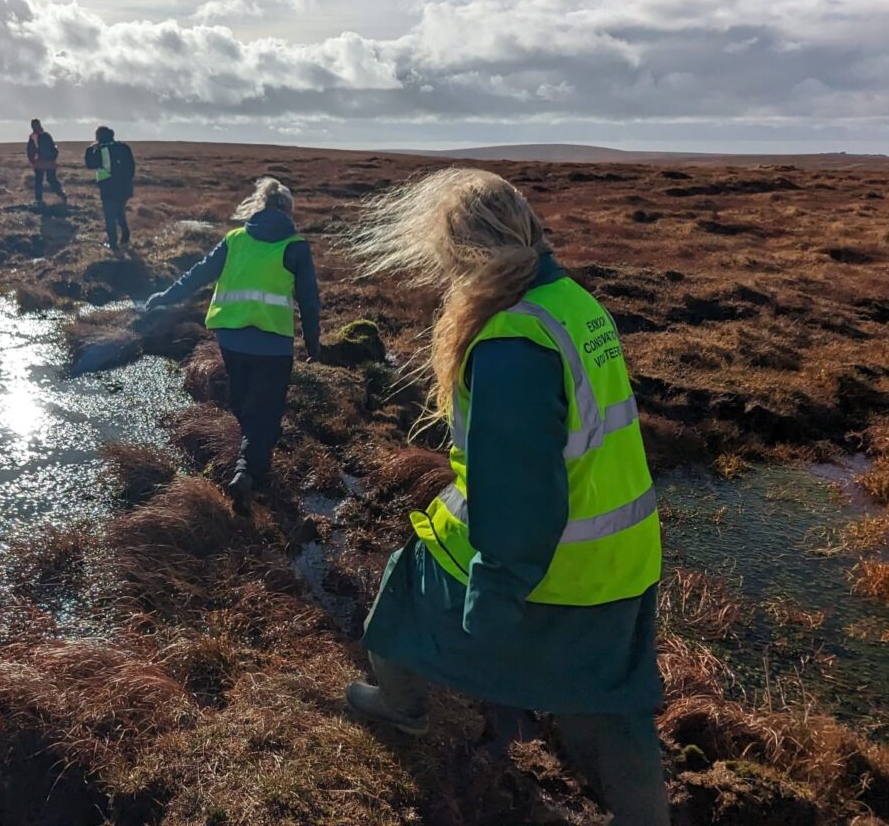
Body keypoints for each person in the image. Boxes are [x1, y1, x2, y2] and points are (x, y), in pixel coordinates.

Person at [342, 169, 667, 826]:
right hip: (623, 562)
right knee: (616, 712)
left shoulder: (513, 340)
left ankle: (401, 707)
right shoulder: (570, 302)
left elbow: (519, 492)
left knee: (404, 588)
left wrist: (496, 590)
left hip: (550, 569)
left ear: (461, 252)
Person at [144, 177, 320, 514]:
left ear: (259, 205)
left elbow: (198, 274)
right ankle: (248, 473)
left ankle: (248, 457)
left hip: (231, 339)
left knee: (243, 402)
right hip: (273, 345)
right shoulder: (296, 246)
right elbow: (309, 303)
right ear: (288, 210)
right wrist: (313, 343)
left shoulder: (235, 239)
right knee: (265, 413)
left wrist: (164, 297)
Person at [84, 126, 133, 249]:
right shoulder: (124, 147)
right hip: (125, 188)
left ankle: (113, 243)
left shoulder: (101, 150)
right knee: (120, 212)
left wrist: (90, 150)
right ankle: (125, 236)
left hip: (109, 189)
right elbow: (132, 167)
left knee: (110, 216)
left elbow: (90, 164)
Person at [26, 118, 66, 206]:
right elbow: (53, 149)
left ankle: (40, 200)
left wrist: (33, 160)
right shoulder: (44, 135)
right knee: (48, 179)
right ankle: (60, 195)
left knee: (41, 181)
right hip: (45, 162)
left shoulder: (37, 136)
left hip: (42, 162)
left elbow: (30, 151)